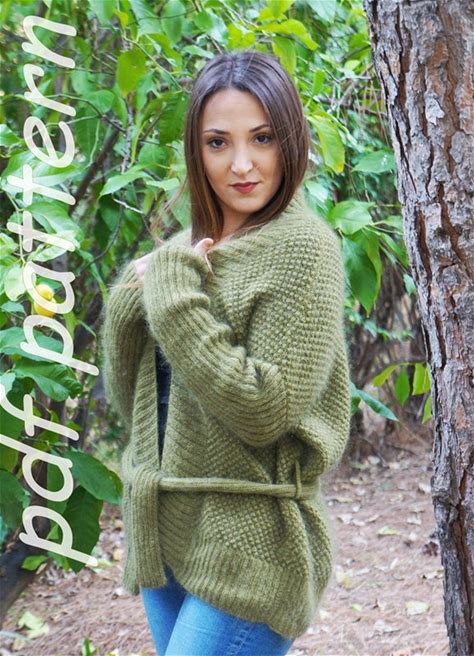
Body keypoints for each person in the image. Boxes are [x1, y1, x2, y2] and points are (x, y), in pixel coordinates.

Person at [100, 49, 352, 656]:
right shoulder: (187, 250)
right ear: (197, 150)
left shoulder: (303, 249)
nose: (242, 164)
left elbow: (265, 409)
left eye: (262, 138)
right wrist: (135, 301)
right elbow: (135, 399)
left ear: (290, 140)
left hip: (251, 543)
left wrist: (172, 298)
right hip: (166, 527)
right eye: (218, 142)